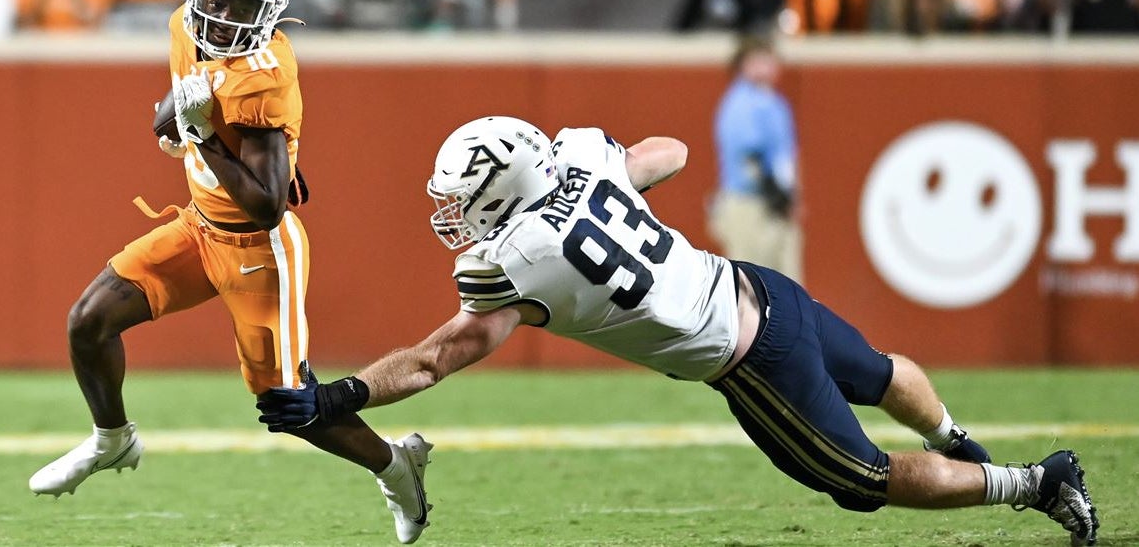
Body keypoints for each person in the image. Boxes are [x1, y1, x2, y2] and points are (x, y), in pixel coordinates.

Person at [257, 116, 1100, 546]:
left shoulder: (518, 259)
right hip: (763, 289)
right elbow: (672, 152)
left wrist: (339, 393)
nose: (454, 218)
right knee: (878, 371)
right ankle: (963, 440)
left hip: (750, 361)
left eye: (465, 201)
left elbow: (439, 356)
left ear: (503, 192)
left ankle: (1032, 481)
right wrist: (604, 181)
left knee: (862, 477)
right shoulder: (580, 159)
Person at [27, 0, 432, 544]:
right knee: (88, 321)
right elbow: (180, 105)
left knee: (291, 409)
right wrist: (177, 122)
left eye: (241, 8)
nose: (221, 18)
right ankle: (113, 441)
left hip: (260, 253)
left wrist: (205, 138)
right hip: (199, 226)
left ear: (269, 13)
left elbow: (267, 207)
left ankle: (397, 467)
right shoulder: (182, 29)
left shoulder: (262, 74)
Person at [708, 35, 802, 282]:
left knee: (788, 281)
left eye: (768, 59)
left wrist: (789, 194)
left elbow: (784, 155)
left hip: (777, 202)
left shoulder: (775, 102)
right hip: (751, 202)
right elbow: (749, 157)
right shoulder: (741, 103)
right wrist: (775, 193)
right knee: (754, 284)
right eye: (756, 59)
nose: (764, 66)